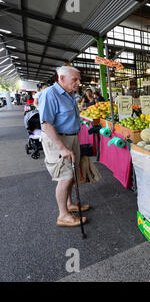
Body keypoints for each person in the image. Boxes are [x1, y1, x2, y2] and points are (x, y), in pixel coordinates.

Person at [39, 66, 89, 227]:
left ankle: (69, 204)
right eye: (75, 79)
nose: (79, 83)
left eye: (79, 79)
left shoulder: (69, 94)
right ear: (61, 78)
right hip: (58, 140)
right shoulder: (49, 94)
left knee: (71, 174)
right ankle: (63, 215)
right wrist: (61, 147)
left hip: (71, 138)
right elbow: (46, 124)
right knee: (65, 177)